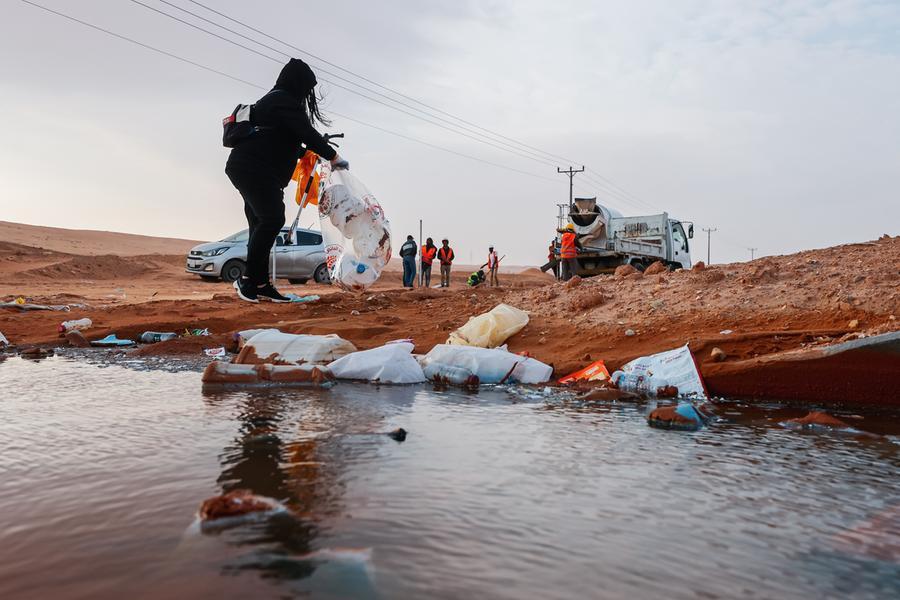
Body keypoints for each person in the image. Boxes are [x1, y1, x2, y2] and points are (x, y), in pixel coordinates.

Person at [226, 58, 347, 303]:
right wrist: (333, 156)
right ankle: (248, 280)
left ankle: (260, 283)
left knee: (260, 223)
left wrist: (306, 153)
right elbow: (306, 133)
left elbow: (283, 140)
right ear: (297, 83)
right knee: (272, 218)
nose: (307, 94)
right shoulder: (281, 101)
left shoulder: (276, 103)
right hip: (253, 169)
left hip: (254, 169)